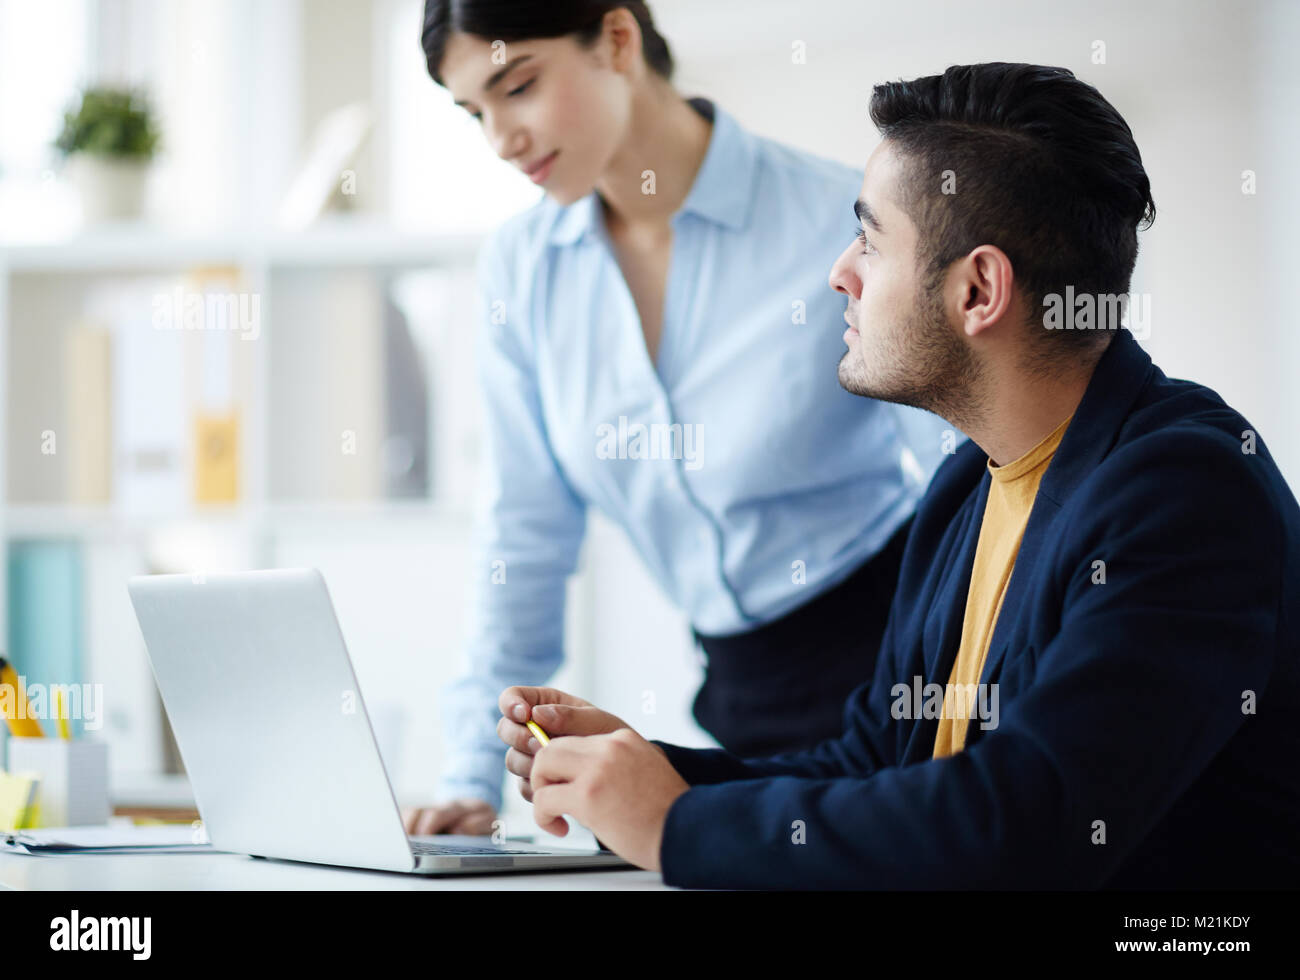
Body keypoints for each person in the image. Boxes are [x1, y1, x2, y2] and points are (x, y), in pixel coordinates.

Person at [492, 62, 1300, 888]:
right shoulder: (965, 487)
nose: (840, 271)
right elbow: (878, 759)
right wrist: (640, 775)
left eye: (871, 240)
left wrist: (674, 825)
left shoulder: (1185, 491)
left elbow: (1030, 816)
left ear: (978, 289)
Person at [402, 1, 951, 836]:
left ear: (618, 40)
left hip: (899, 671)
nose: (501, 139)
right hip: (735, 705)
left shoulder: (836, 220)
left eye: (517, 87)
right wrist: (470, 775)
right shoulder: (523, 271)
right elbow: (524, 536)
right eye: (475, 111)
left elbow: (967, 474)